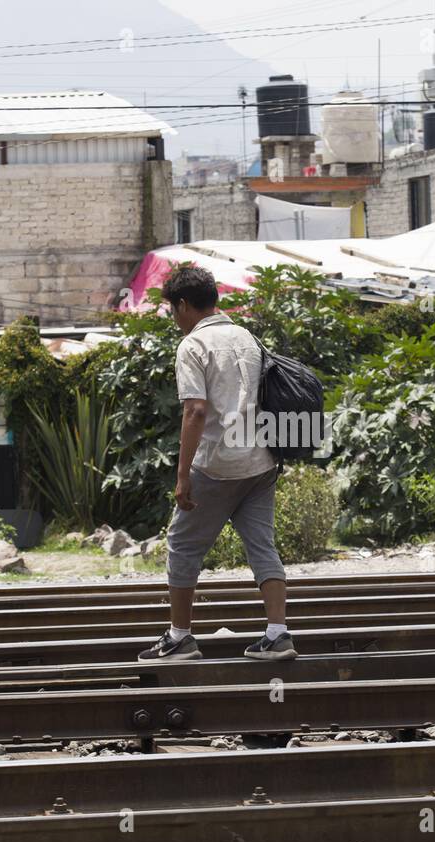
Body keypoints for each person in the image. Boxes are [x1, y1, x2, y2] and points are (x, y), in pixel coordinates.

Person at [138, 264, 297, 662]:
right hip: (261, 462)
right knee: (262, 545)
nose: (174, 319)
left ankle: (179, 637)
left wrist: (182, 478)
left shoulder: (192, 346)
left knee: (182, 545)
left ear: (184, 305)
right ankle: (278, 635)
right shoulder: (247, 338)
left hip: (216, 464)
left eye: (173, 310)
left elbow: (194, 412)